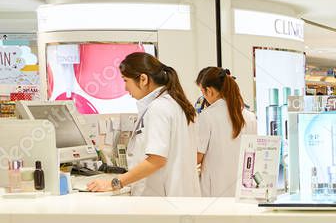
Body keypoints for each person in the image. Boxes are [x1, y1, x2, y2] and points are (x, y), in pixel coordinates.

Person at [87, 53, 200, 196]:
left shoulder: (158, 108)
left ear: (143, 79)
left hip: (163, 199)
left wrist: (114, 183)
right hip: (179, 196)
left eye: (125, 80)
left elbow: (157, 160)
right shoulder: (176, 104)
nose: (125, 88)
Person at [195, 67, 257, 198]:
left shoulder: (207, 116)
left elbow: (197, 157)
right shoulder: (250, 117)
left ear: (209, 91)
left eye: (203, 92)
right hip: (243, 189)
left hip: (215, 190)